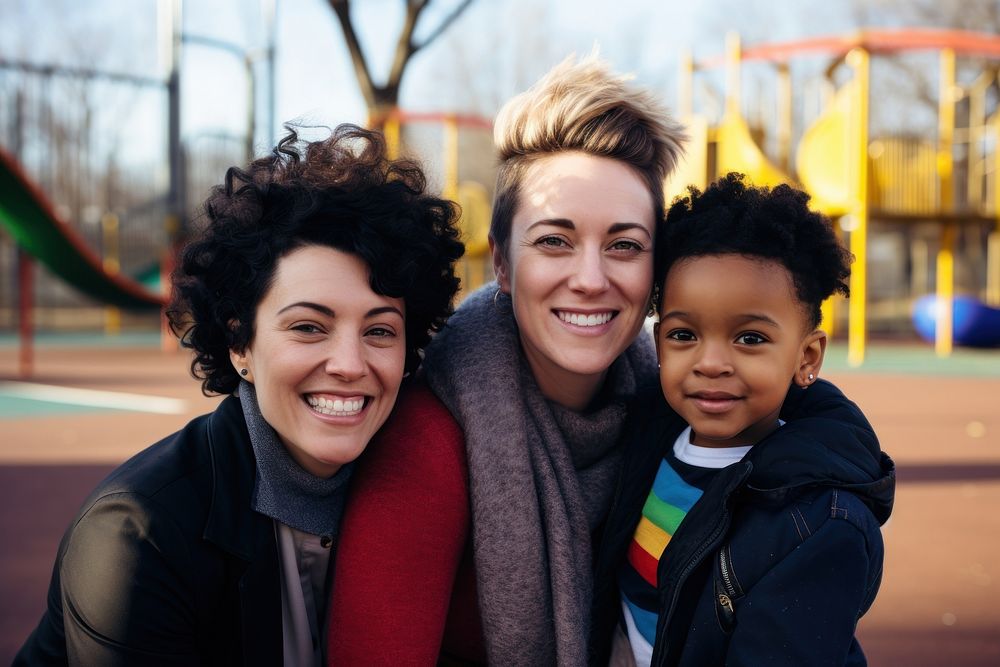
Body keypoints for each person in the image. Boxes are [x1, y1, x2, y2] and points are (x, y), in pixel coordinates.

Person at [328, 58, 878, 666]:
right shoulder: (426, 446)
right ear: (502, 264)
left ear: (655, 272)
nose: (590, 279)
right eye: (553, 240)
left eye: (624, 245)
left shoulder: (678, 418)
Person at [14, 125, 464, 667]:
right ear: (239, 343)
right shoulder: (138, 536)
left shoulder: (424, 487)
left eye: (380, 330)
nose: (349, 364)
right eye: (308, 327)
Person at [590, 173, 895, 667]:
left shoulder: (819, 523)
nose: (711, 363)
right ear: (658, 343)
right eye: (684, 335)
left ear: (807, 357)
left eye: (750, 339)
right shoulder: (646, 434)